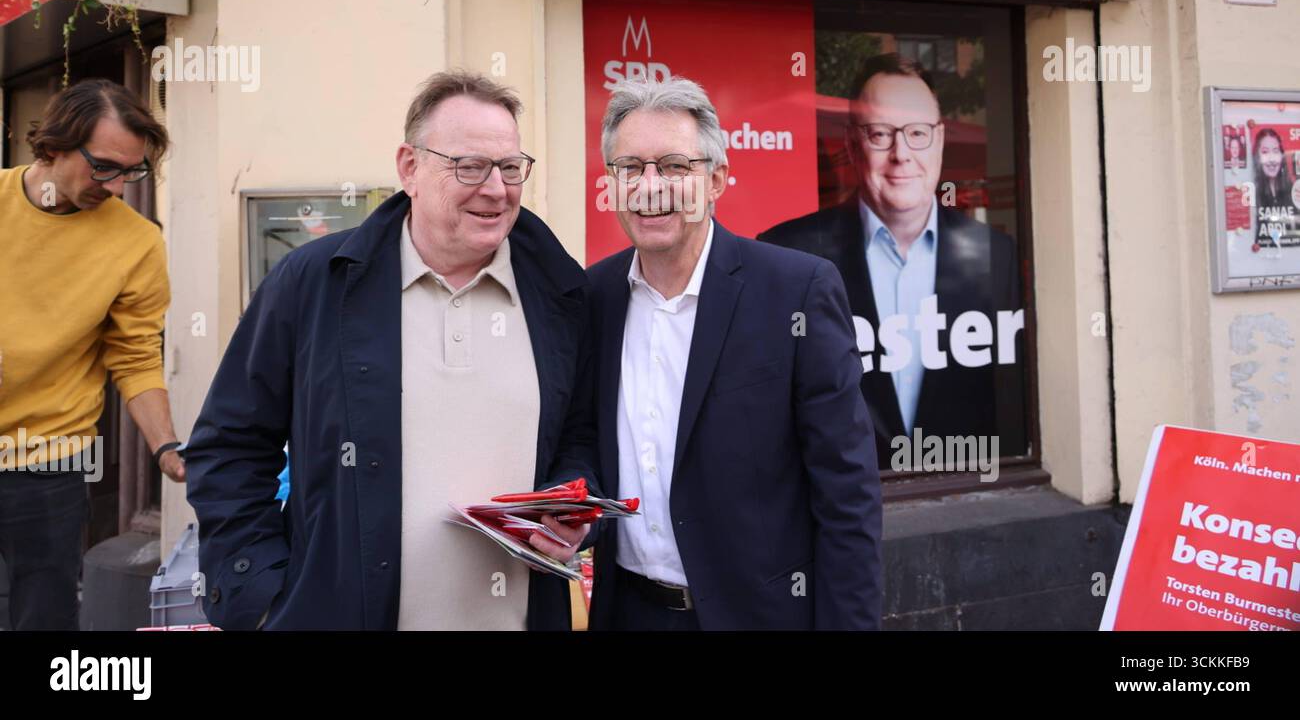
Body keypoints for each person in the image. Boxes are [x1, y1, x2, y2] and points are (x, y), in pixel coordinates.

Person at [185, 71, 599, 630]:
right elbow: (228, 447)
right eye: (470, 166)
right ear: (410, 168)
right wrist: (258, 597)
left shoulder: (561, 294)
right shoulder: (314, 283)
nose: (496, 189)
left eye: (509, 167)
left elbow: (582, 438)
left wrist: (571, 507)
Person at [586, 76, 882, 630]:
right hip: (626, 615)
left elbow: (848, 498)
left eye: (675, 166)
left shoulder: (796, 290)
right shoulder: (593, 298)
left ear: (716, 179)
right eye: (631, 168)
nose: (651, 187)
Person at [760, 54, 1023, 468]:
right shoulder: (786, 253)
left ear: (940, 139)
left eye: (917, 132)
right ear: (851, 143)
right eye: (880, 134)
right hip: (836, 509)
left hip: (970, 491)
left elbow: (1010, 401)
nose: (901, 153)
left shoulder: (997, 255)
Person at [0, 78, 185, 630]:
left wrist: (166, 446)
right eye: (104, 166)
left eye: (132, 171)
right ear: (54, 145)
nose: (118, 187)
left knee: (45, 618)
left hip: (49, 462)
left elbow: (134, 357)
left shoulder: (138, 242)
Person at [1252, 128, 1296, 247]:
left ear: (1282, 155)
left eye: (1276, 151)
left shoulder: (1293, 192)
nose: (1271, 159)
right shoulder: (1252, 194)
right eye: (1265, 152)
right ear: (1257, 156)